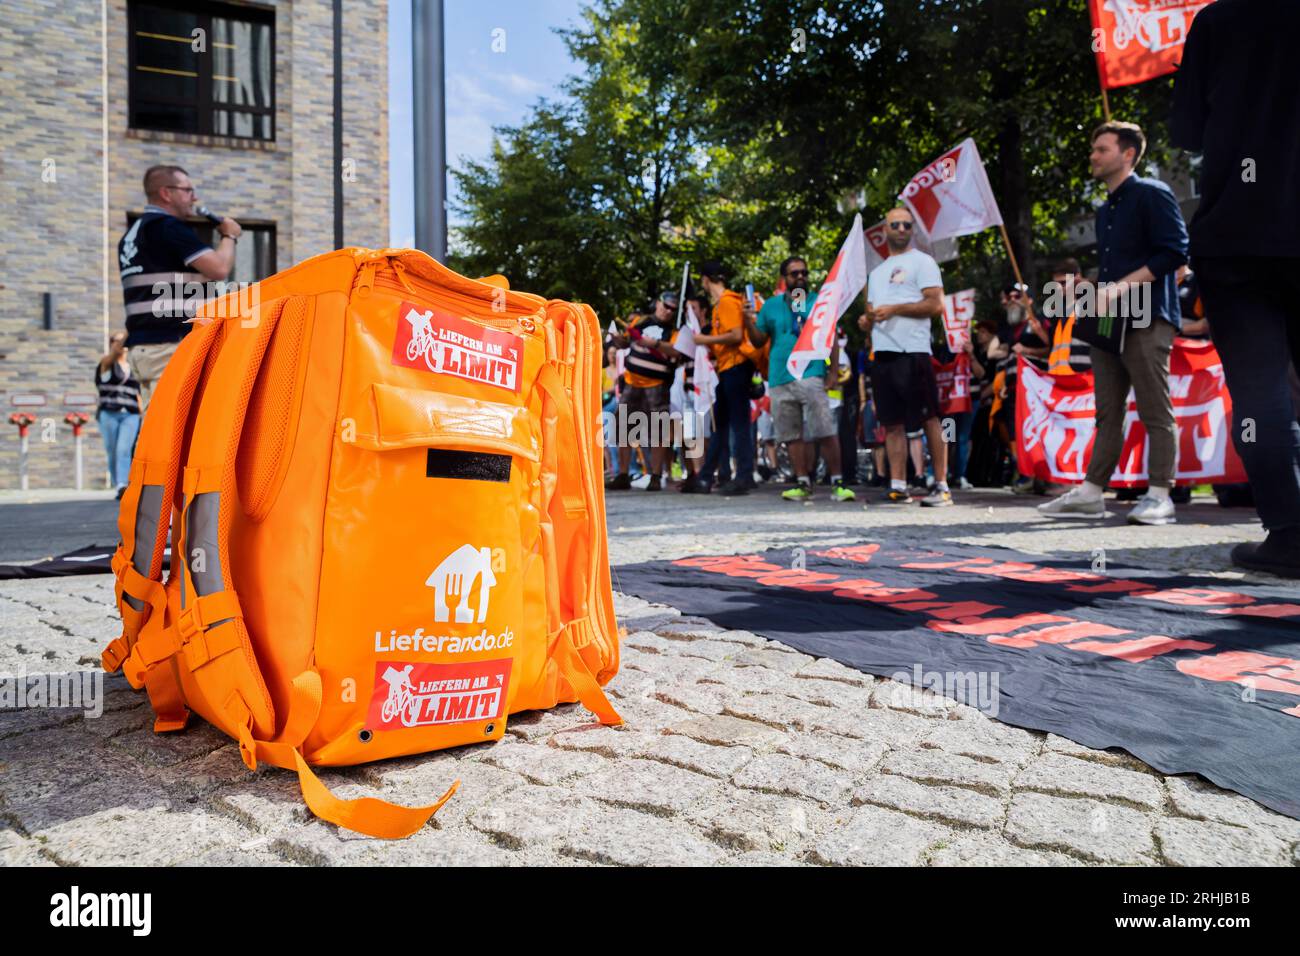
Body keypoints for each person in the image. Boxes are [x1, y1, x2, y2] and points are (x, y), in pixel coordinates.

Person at [1171, 0, 1300, 576]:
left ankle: (1290, 535)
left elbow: (1188, 131)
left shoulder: (1218, 21)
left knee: (1259, 393)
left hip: (1238, 233)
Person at [1040, 122, 1188, 524]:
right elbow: (1116, 270)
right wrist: (1091, 289)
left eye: (1101, 149)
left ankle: (1160, 494)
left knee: (1156, 409)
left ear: (1127, 154)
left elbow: (1174, 252)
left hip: (1147, 313)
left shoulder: (1152, 193)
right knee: (1107, 412)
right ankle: (1091, 492)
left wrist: (1118, 287)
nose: (1093, 155)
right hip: (1111, 317)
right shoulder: (1106, 208)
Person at [118, 165, 242, 406]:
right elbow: (219, 268)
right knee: (172, 434)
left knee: (157, 429)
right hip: (168, 349)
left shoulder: (132, 234)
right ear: (166, 193)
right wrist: (230, 236)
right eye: (188, 190)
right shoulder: (168, 228)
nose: (193, 198)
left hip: (143, 350)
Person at [859, 207, 952, 507]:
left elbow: (936, 305)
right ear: (883, 230)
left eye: (906, 225)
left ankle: (941, 485)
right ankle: (898, 484)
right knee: (892, 423)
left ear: (912, 230)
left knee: (929, 418)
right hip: (883, 354)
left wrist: (896, 309)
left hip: (913, 351)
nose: (901, 229)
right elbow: (873, 313)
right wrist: (867, 321)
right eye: (895, 224)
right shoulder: (876, 272)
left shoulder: (923, 262)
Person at [743, 256, 855, 502]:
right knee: (790, 434)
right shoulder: (771, 306)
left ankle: (838, 482)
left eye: (804, 272)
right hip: (780, 376)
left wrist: (833, 372)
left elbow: (831, 337)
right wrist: (747, 321)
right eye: (794, 274)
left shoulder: (818, 302)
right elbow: (758, 341)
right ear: (785, 279)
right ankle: (802, 482)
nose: (800, 277)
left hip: (811, 373)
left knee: (824, 429)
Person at [605, 292, 682, 491]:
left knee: (658, 431)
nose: (668, 310)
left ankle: (655, 476)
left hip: (657, 385)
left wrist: (654, 344)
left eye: (672, 308)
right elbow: (625, 342)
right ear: (658, 303)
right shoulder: (642, 321)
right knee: (623, 428)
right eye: (666, 306)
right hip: (632, 383)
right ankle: (623, 475)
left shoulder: (674, 330)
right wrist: (617, 340)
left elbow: (677, 351)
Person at [692, 262, 755, 496]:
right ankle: (707, 476)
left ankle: (743, 476)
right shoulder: (723, 303)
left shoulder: (728, 302)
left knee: (737, 424)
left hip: (736, 368)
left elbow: (736, 335)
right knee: (721, 424)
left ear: (706, 280)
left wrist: (704, 340)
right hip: (728, 369)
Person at [95, 331, 142, 499]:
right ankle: (118, 483)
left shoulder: (133, 364)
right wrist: (126, 334)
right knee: (112, 450)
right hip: (109, 413)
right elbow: (113, 354)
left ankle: (123, 484)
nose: (122, 343)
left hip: (130, 414)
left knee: (124, 449)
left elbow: (139, 391)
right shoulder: (107, 363)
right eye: (117, 341)